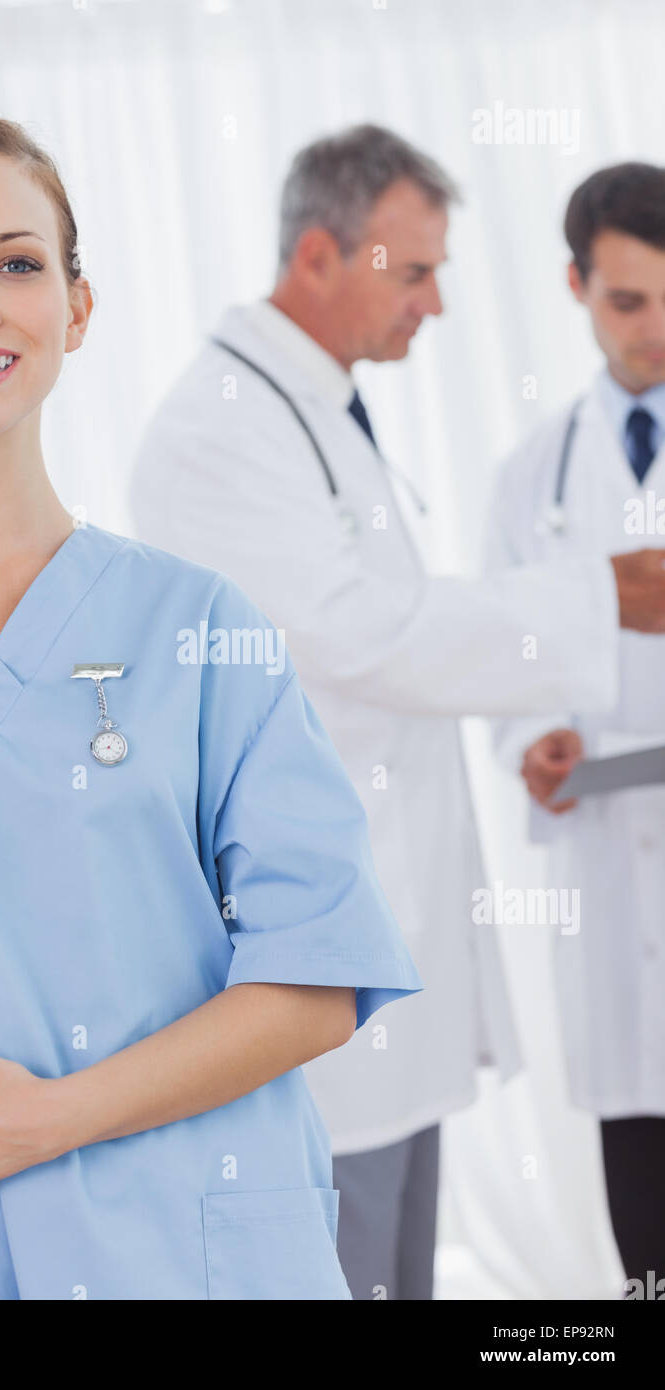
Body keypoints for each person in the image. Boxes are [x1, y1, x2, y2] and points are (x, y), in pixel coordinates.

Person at [0, 116, 424, 1302]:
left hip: (193, 1250)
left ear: (78, 310)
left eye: (18, 263)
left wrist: (51, 1120)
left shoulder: (199, 627)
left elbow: (320, 977)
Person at [128, 124, 665, 1300]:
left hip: (374, 945)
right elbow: (360, 632)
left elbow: (396, 626)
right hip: (314, 952)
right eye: (413, 270)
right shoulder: (228, 424)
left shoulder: (313, 407)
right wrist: (602, 597)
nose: (434, 302)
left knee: (393, 1256)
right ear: (321, 254)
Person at [485, 161, 665, 1292]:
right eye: (628, 301)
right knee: (641, 1216)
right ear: (575, 286)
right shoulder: (526, 478)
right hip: (607, 858)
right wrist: (533, 736)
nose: (656, 329)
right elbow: (502, 642)